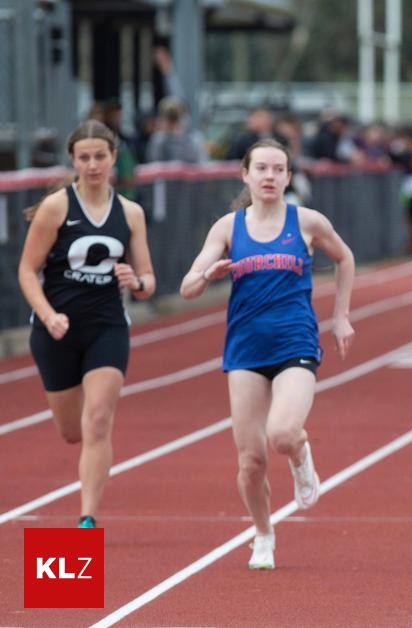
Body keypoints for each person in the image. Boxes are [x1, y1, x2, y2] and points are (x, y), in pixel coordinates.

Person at [180, 139, 355, 570]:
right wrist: (209, 273)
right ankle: (262, 534)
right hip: (244, 349)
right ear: (246, 175)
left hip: (294, 342)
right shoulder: (227, 228)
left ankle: (301, 459)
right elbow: (187, 288)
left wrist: (340, 317)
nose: (270, 176)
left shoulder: (307, 221)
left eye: (279, 169)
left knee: (282, 433)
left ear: (289, 177)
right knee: (251, 460)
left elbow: (345, 257)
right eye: (261, 168)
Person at [17, 120, 157, 528]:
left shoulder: (130, 213)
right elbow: (27, 271)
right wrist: (48, 315)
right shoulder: (57, 207)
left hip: (107, 327)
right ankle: (86, 498)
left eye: (100, 157)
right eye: (84, 158)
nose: (93, 165)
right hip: (56, 330)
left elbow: (148, 282)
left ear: (113, 158)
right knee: (72, 431)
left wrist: (138, 281)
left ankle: (87, 517)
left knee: (98, 418)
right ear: (73, 161)